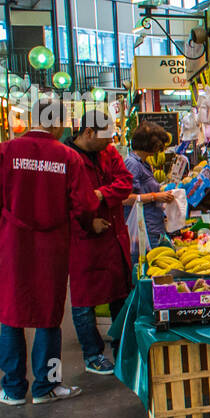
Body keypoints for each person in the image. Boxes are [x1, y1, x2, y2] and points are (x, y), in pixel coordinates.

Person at [0, 102, 101, 405]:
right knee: (48, 316)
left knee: (10, 316)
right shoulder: (68, 157)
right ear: (58, 125)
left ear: (31, 120)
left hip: (11, 246)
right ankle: (46, 386)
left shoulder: (3, 152)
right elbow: (84, 205)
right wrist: (88, 222)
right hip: (51, 248)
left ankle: (13, 389)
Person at [66, 110, 134, 375]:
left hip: (114, 235)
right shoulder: (67, 158)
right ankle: (92, 354)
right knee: (84, 302)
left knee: (120, 295)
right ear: (88, 133)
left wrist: (100, 194)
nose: (111, 142)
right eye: (106, 138)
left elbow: (125, 183)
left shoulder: (109, 153)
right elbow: (65, 200)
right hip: (84, 241)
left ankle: (122, 348)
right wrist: (88, 220)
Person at [122, 126, 174, 258]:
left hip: (153, 226)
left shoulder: (144, 164)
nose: (160, 149)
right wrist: (155, 196)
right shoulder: (132, 163)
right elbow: (125, 198)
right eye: (158, 144)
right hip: (143, 230)